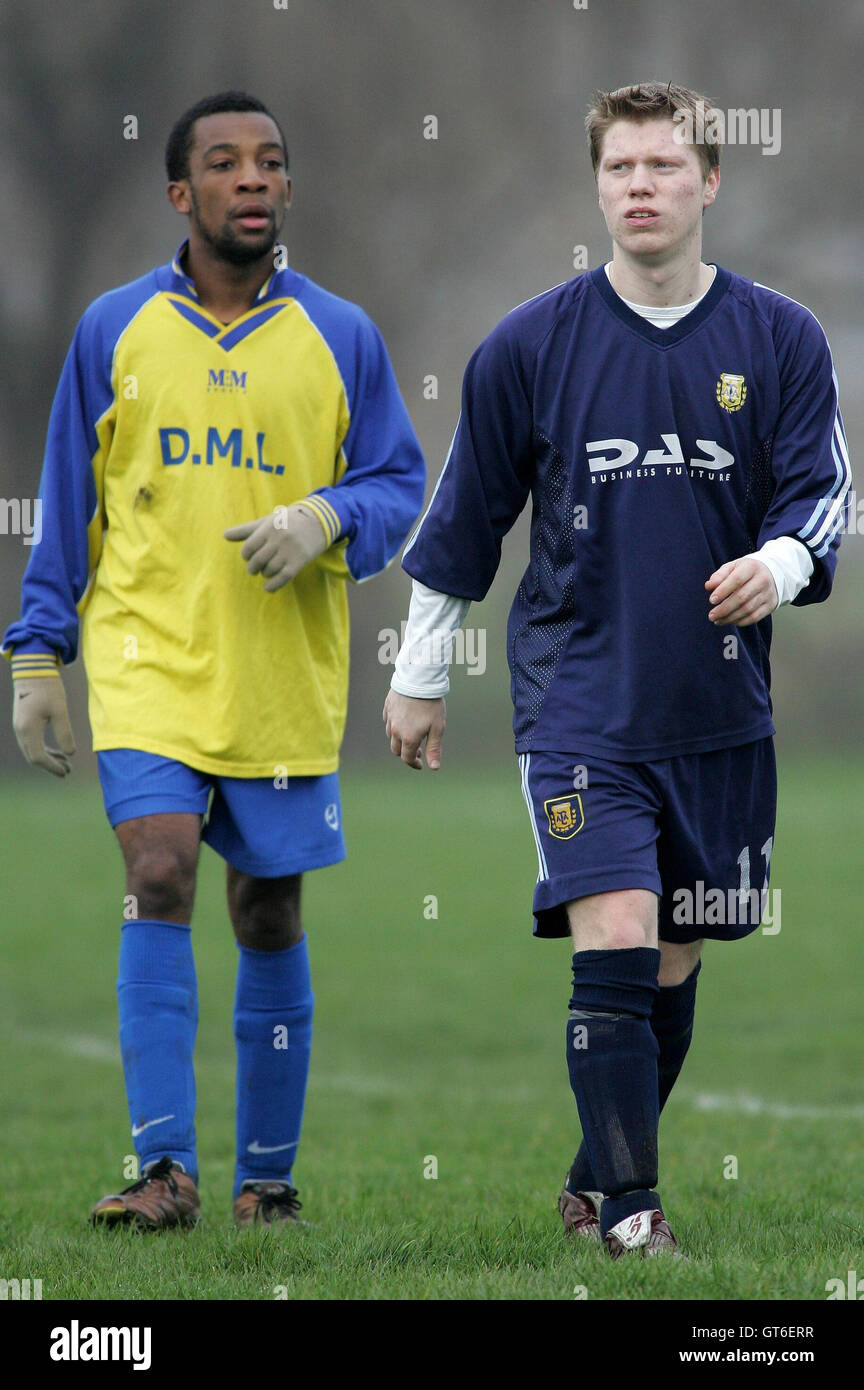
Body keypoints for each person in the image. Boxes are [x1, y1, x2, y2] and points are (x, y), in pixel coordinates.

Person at [382, 82, 849, 1258]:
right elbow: (463, 520)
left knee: (676, 955)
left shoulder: (780, 337)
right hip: (578, 699)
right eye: (619, 169)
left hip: (719, 705)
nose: (639, 186)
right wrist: (420, 671)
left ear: (709, 181)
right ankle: (637, 1223)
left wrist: (784, 562)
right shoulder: (528, 344)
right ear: (598, 187)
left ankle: (599, 1172)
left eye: (661, 166)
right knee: (622, 924)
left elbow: (826, 494)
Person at [5, 91, 425, 1231]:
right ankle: (164, 1173)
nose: (253, 178)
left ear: (288, 190)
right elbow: (66, 501)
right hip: (144, 664)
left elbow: (403, 489)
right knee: (157, 874)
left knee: (269, 913)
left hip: (283, 679)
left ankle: (268, 1184)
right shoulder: (112, 329)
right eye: (226, 163)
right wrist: (37, 650)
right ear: (180, 193)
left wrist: (328, 518)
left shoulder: (342, 334)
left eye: (272, 162)